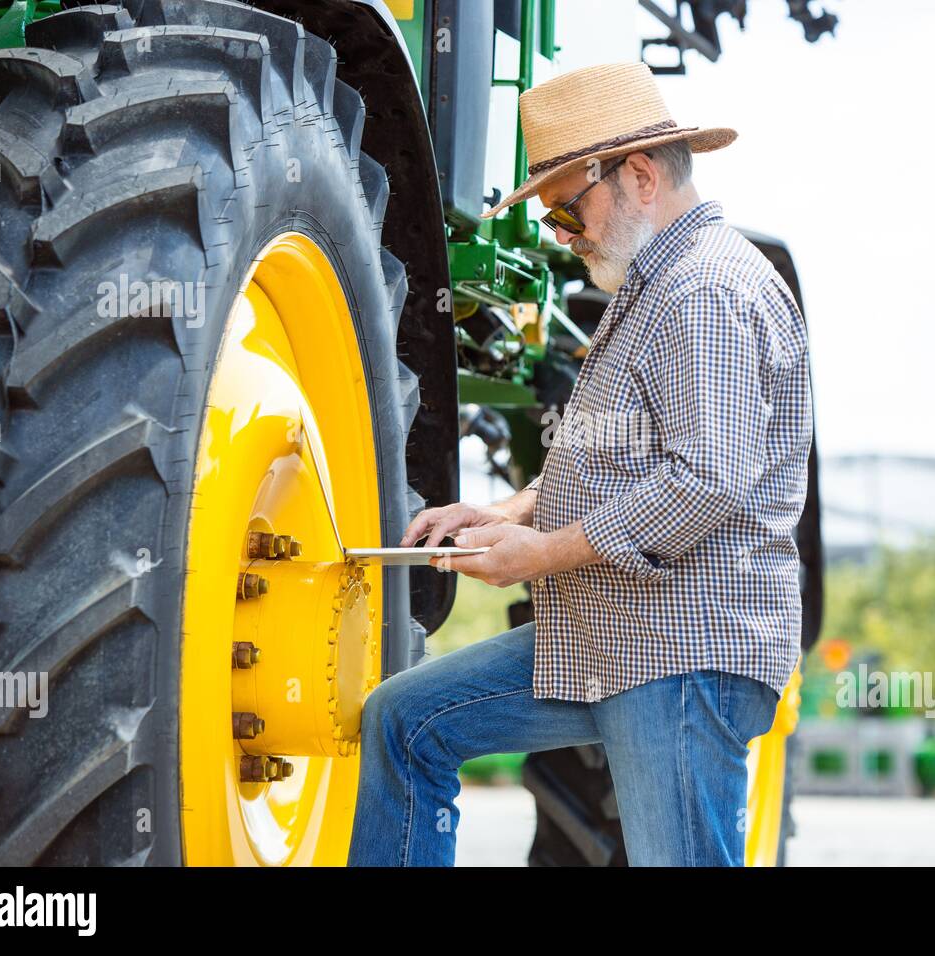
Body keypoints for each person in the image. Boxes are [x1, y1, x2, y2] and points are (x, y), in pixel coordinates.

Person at [347, 61, 812, 867]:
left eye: (568, 209)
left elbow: (705, 479)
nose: (562, 236)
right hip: (609, 639)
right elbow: (610, 453)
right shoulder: (652, 287)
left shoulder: (702, 289)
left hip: (681, 650)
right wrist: (504, 514)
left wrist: (543, 554)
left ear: (638, 176)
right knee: (404, 722)